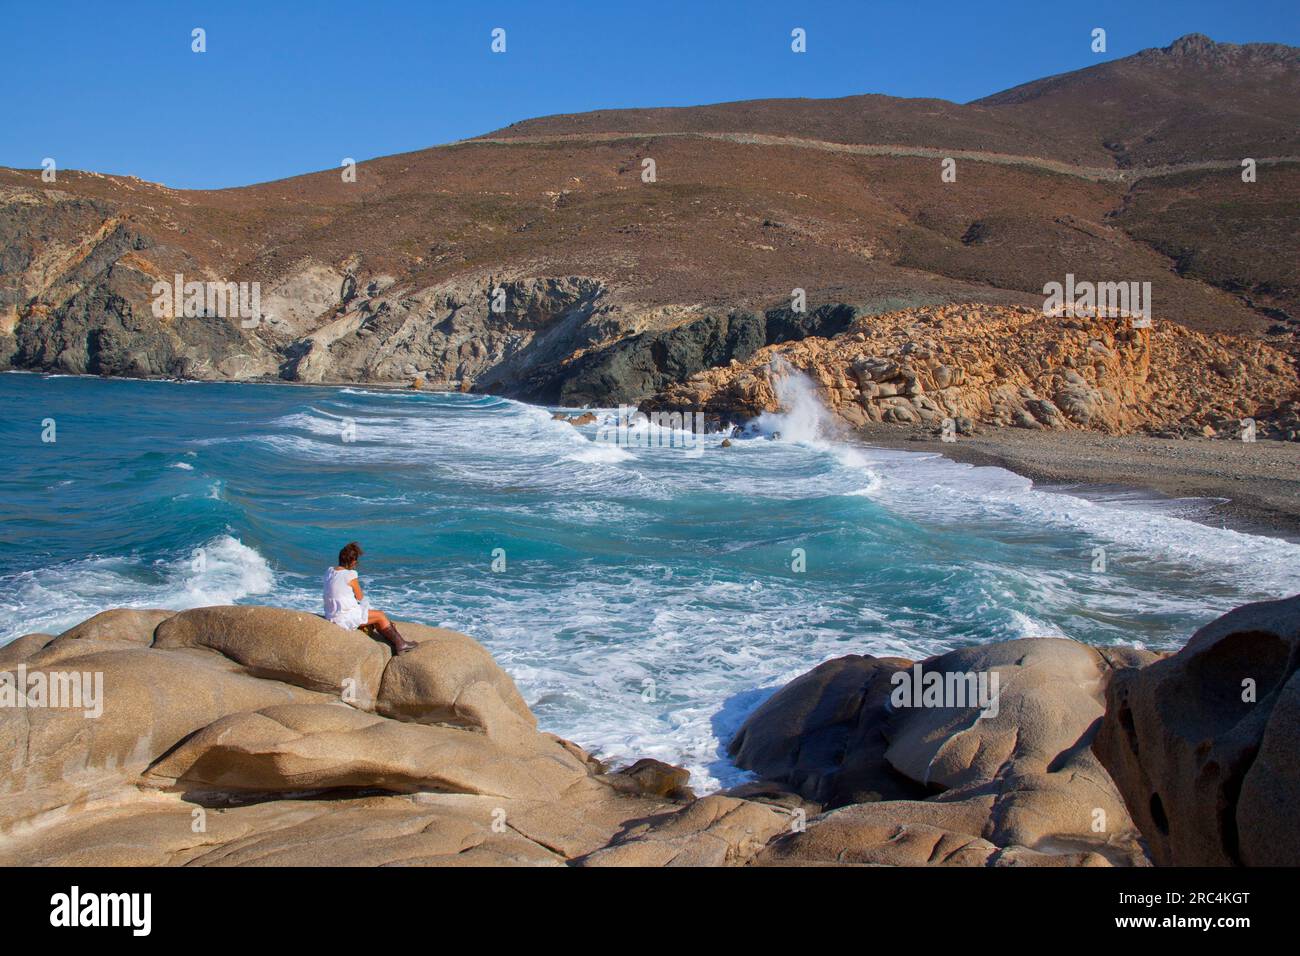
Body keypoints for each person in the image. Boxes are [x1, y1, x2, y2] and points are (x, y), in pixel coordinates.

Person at [323, 541, 417, 654]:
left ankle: (395, 641)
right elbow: (360, 597)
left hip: (331, 614)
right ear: (353, 561)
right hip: (343, 618)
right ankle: (401, 644)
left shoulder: (329, 571)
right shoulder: (350, 575)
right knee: (380, 615)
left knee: (372, 615)